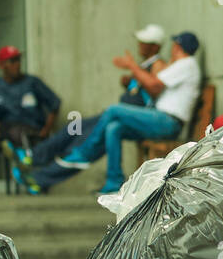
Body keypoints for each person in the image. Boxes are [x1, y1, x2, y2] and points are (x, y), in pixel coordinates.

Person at [57, 31, 203, 194]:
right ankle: (114, 182)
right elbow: (152, 85)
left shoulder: (186, 64)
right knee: (114, 128)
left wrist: (132, 66)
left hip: (167, 122)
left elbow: (154, 85)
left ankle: (84, 153)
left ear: (177, 47)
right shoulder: (181, 65)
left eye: (173, 46)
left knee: (114, 110)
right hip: (161, 120)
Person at [27, 25, 169, 178]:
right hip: (116, 115)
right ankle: (33, 156)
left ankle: (38, 178)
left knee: (82, 146)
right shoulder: (144, 65)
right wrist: (130, 82)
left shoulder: (158, 64)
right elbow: (142, 88)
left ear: (155, 46)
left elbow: (155, 89)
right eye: (140, 40)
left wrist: (132, 67)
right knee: (74, 127)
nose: (139, 44)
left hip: (128, 119)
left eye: (144, 41)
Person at [0, 45, 60, 195]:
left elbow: (55, 104)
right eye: (12, 61)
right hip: (4, 127)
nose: (17, 64)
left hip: (29, 127)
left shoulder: (32, 82)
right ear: (2, 65)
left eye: (18, 60)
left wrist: (47, 128)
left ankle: (36, 181)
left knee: (18, 133)